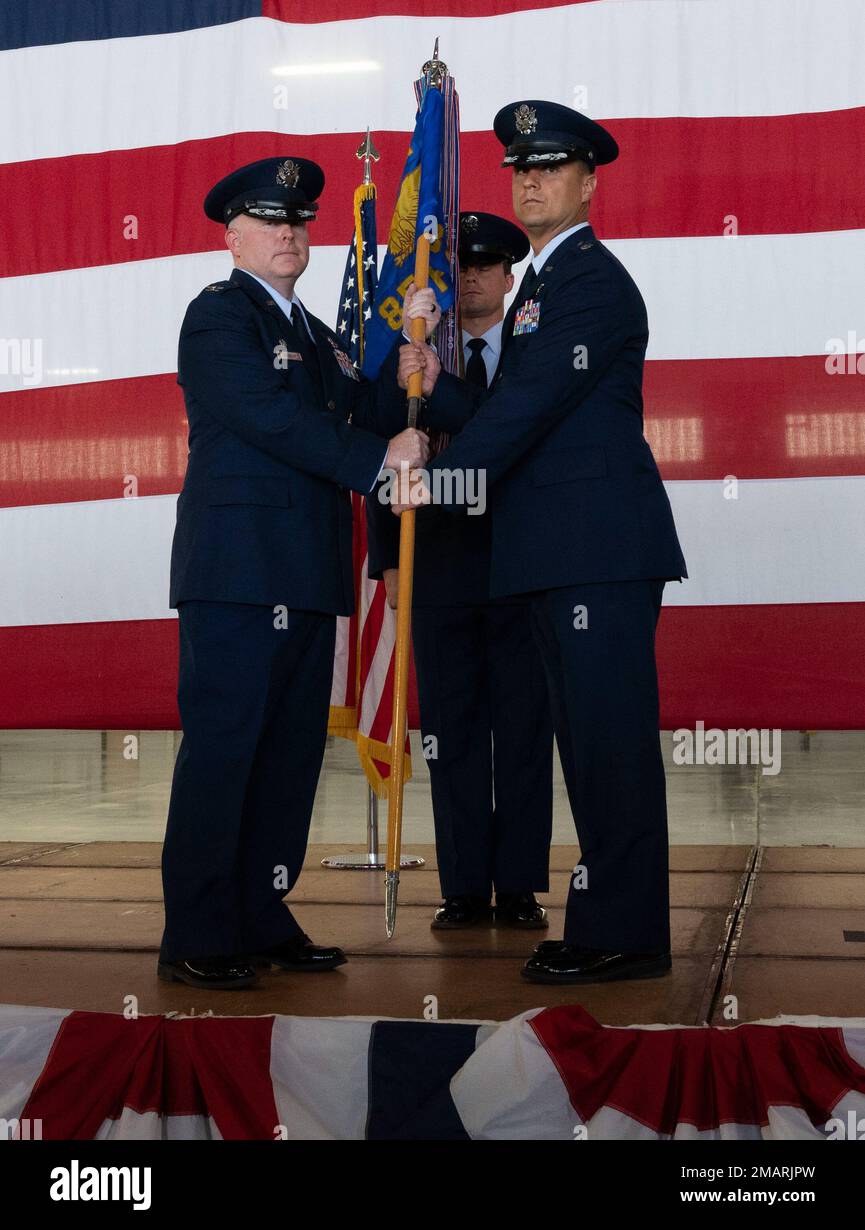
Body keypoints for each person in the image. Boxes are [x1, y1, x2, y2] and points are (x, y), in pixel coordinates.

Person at [391, 102, 688, 984]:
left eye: (550, 168)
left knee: (609, 746)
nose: (529, 180)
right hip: (561, 556)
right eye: (519, 168)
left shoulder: (589, 282)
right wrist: (434, 391)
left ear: (588, 182)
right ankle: (608, 920)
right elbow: (498, 415)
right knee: (589, 746)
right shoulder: (544, 291)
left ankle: (624, 933)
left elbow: (522, 416)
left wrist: (429, 483)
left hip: (593, 551)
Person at [159, 155, 437, 990]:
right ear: (232, 235)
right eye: (270, 221)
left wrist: (410, 348)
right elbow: (272, 420)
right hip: (239, 574)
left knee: (286, 759)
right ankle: (199, 934)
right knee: (225, 750)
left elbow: (362, 413)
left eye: (299, 222)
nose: (289, 233)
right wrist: (376, 457)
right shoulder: (218, 319)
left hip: (307, 572)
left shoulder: (316, 334)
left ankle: (259, 912)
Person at [368, 212, 555, 931]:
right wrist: (386, 555)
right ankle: (464, 886)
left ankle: (517, 887)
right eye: (458, 269)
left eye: (485, 267)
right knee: (449, 731)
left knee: (522, 730)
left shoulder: (535, 349)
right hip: (437, 561)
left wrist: (439, 387)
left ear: (509, 280)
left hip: (519, 560)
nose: (471, 278)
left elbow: (504, 429)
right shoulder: (411, 350)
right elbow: (385, 446)